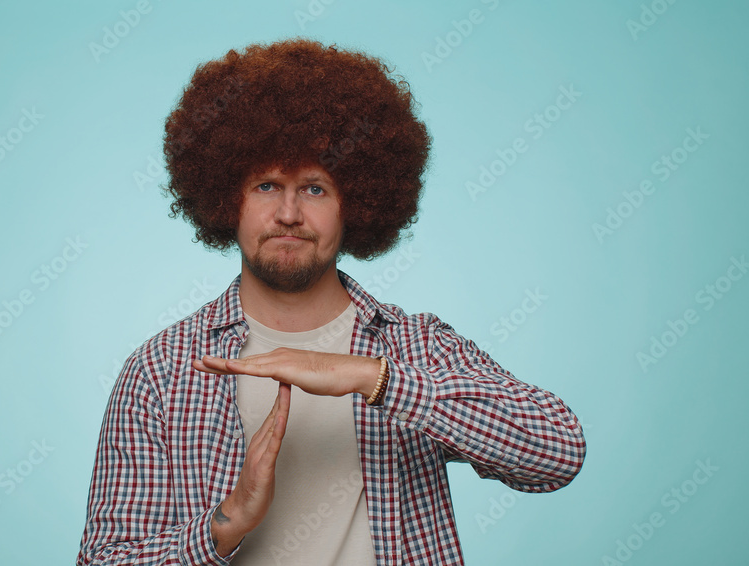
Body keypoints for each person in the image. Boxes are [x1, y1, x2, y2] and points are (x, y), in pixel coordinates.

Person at [77, 38, 586, 566]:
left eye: (315, 188)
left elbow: (558, 451)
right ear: (228, 199)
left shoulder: (415, 345)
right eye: (268, 185)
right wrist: (227, 521)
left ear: (358, 203)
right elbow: (104, 559)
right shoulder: (163, 368)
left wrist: (378, 378)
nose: (290, 213)